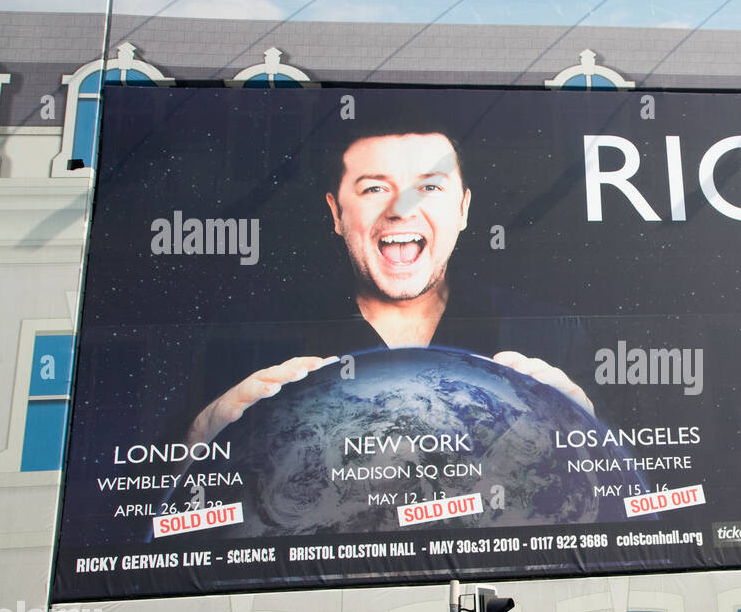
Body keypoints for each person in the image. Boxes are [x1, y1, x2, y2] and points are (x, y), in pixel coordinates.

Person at [185, 128, 592, 446]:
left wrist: (588, 439)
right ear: (336, 213)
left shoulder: (548, 332)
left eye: (429, 187)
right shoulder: (251, 341)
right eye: (375, 188)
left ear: (463, 209)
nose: (400, 209)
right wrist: (199, 443)